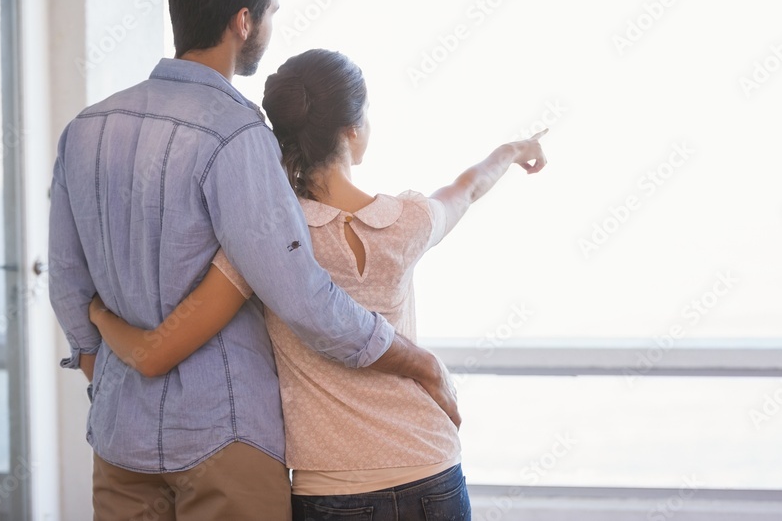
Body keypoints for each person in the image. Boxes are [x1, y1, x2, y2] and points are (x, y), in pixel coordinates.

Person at [48, 0, 457, 521]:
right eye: (270, 12)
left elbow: (66, 279)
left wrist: (105, 374)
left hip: (119, 436)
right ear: (244, 21)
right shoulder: (238, 134)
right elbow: (303, 297)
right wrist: (418, 362)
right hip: (226, 436)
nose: (269, 23)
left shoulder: (87, 129)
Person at [88, 48, 548, 520]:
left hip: (334, 488)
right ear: (352, 129)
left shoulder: (263, 239)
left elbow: (156, 353)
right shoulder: (408, 222)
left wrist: (99, 316)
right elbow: (467, 187)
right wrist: (514, 151)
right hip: (430, 467)